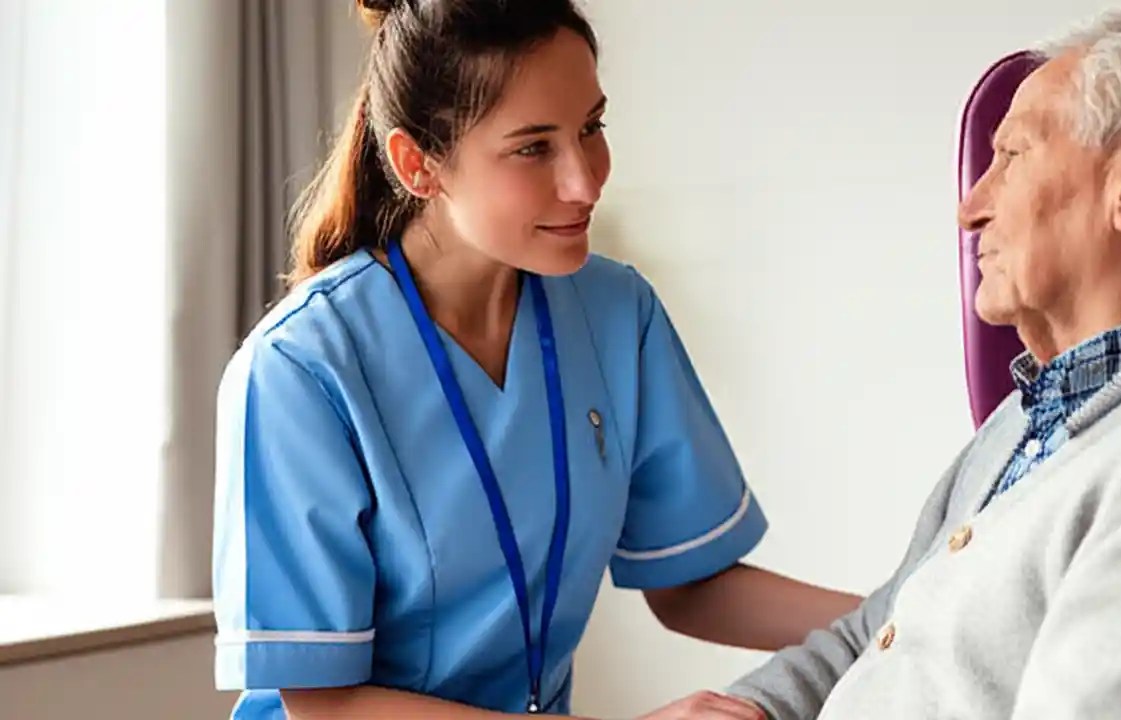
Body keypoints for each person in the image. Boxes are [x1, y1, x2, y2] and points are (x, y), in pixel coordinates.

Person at [210, 0, 862, 718]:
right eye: (533, 147)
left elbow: (691, 585)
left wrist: (908, 617)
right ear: (418, 164)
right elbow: (323, 707)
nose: (586, 181)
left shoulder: (618, 315)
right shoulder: (300, 370)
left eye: (592, 129)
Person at [665, 0, 1121, 718]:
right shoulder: (1034, 411)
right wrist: (752, 711)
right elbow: (879, 631)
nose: (971, 208)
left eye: (1012, 154)